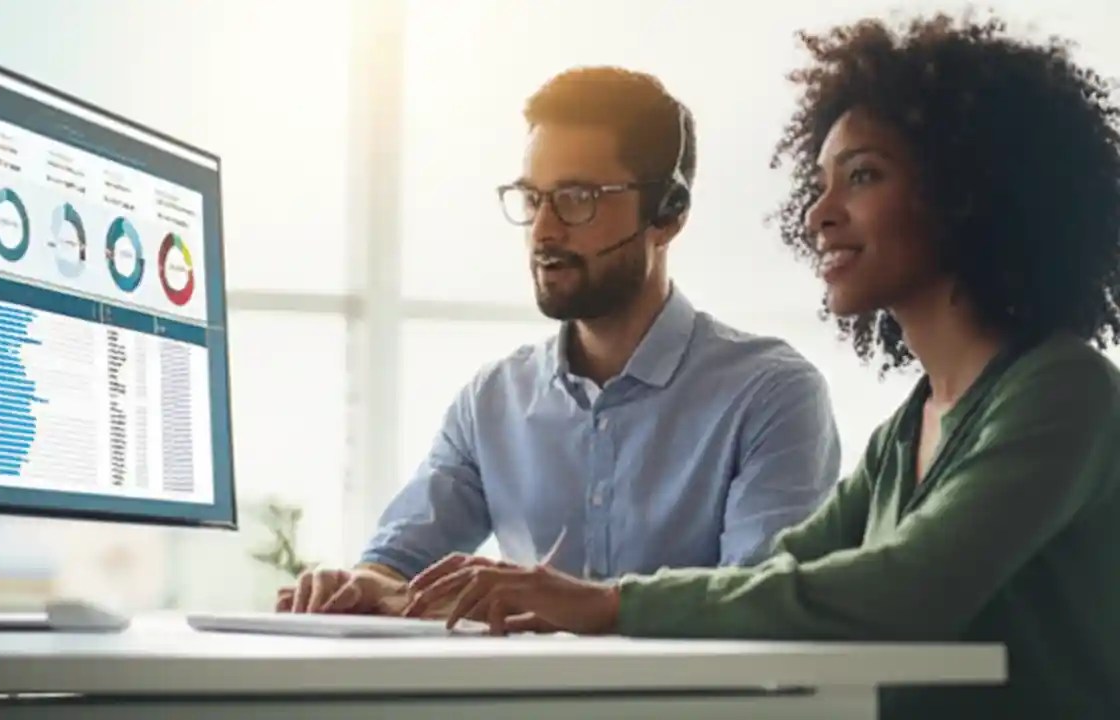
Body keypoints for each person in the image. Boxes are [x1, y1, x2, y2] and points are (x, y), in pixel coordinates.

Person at [402, 13, 1120, 718]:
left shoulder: (1064, 391)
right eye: (821, 181)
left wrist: (607, 601)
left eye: (862, 175)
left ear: (972, 194)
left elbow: (907, 585)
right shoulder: (909, 429)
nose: (817, 214)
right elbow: (782, 576)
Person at [277, 67, 842, 616]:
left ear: (668, 214)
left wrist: (586, 609)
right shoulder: (491, 401)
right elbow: (397, 566)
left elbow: (759, 604)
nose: (544, 230)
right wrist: (353, 589)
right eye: (531, 198)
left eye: (577, 198)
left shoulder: (771, 393)